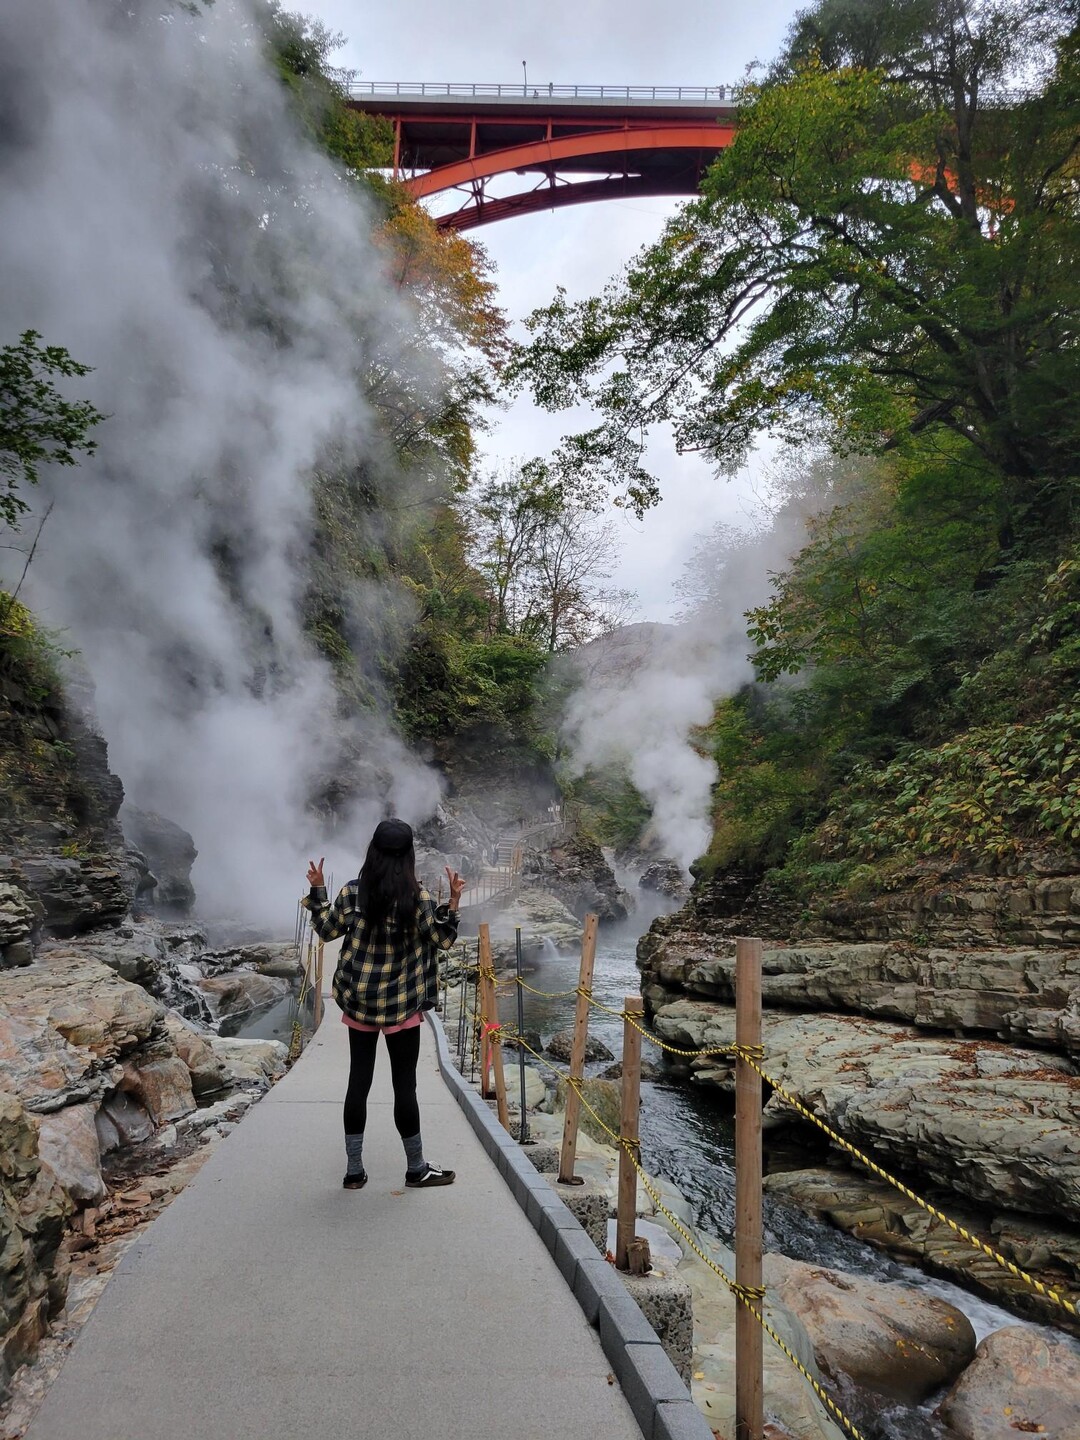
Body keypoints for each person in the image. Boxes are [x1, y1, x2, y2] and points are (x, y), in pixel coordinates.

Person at [303, 818, 465, 1190]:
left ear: (372, 852)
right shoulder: (418, 898)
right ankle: (416, 1169)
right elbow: (442, 939)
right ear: (409, 855)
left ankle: (354, 1172)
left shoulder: (352, 892)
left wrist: (316, 891)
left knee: (357, 1083)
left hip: (358, 1003)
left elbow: (327, 930)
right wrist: (454, 901)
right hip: (402, 1007)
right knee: (404, 1086)